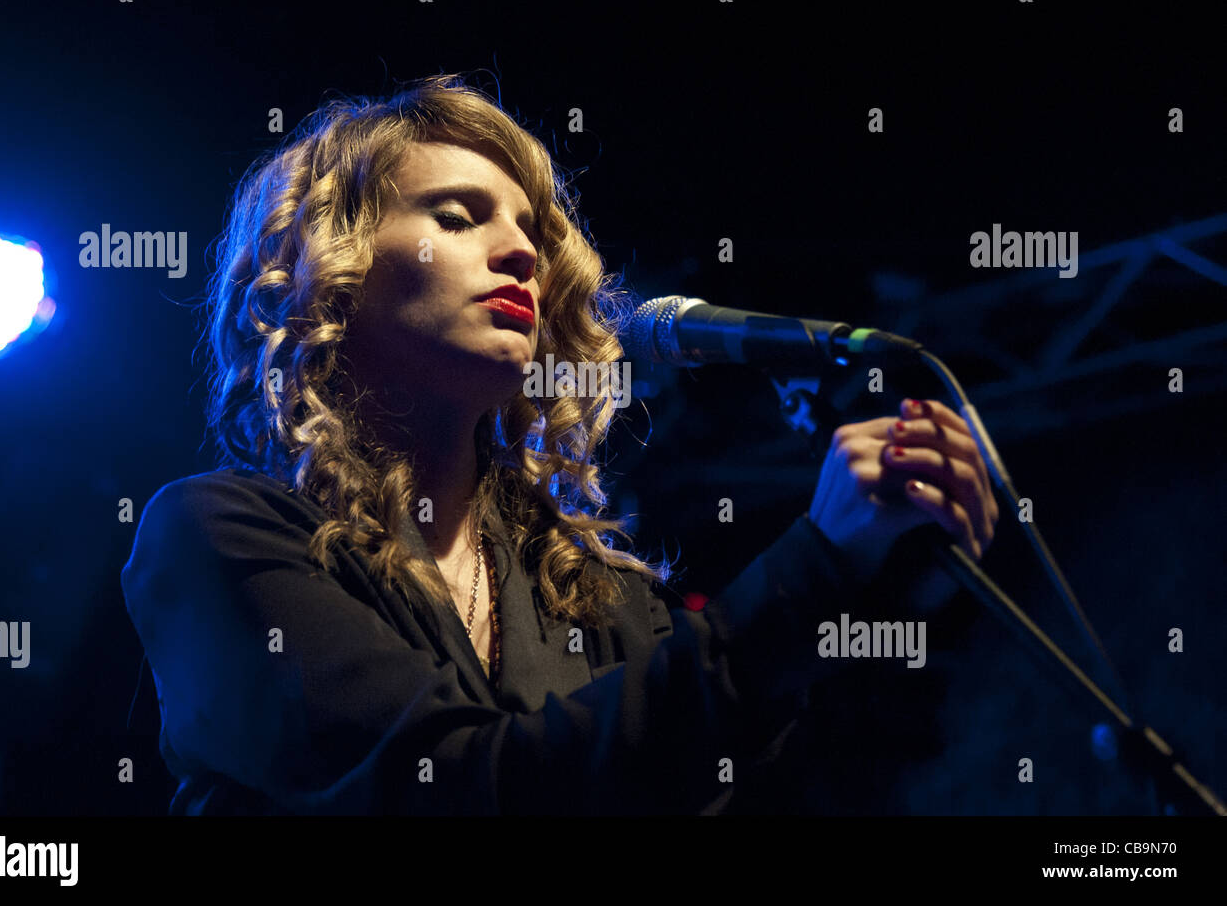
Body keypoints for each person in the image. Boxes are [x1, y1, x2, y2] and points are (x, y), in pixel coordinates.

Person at [121, 74, 998, 815]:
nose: (520, 252)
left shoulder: (601, 598)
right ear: (330, 269)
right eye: (456, 217)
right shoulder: (214, 536)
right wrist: (814, 565)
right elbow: (461, 786)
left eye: (533, 234)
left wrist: (885, 564)